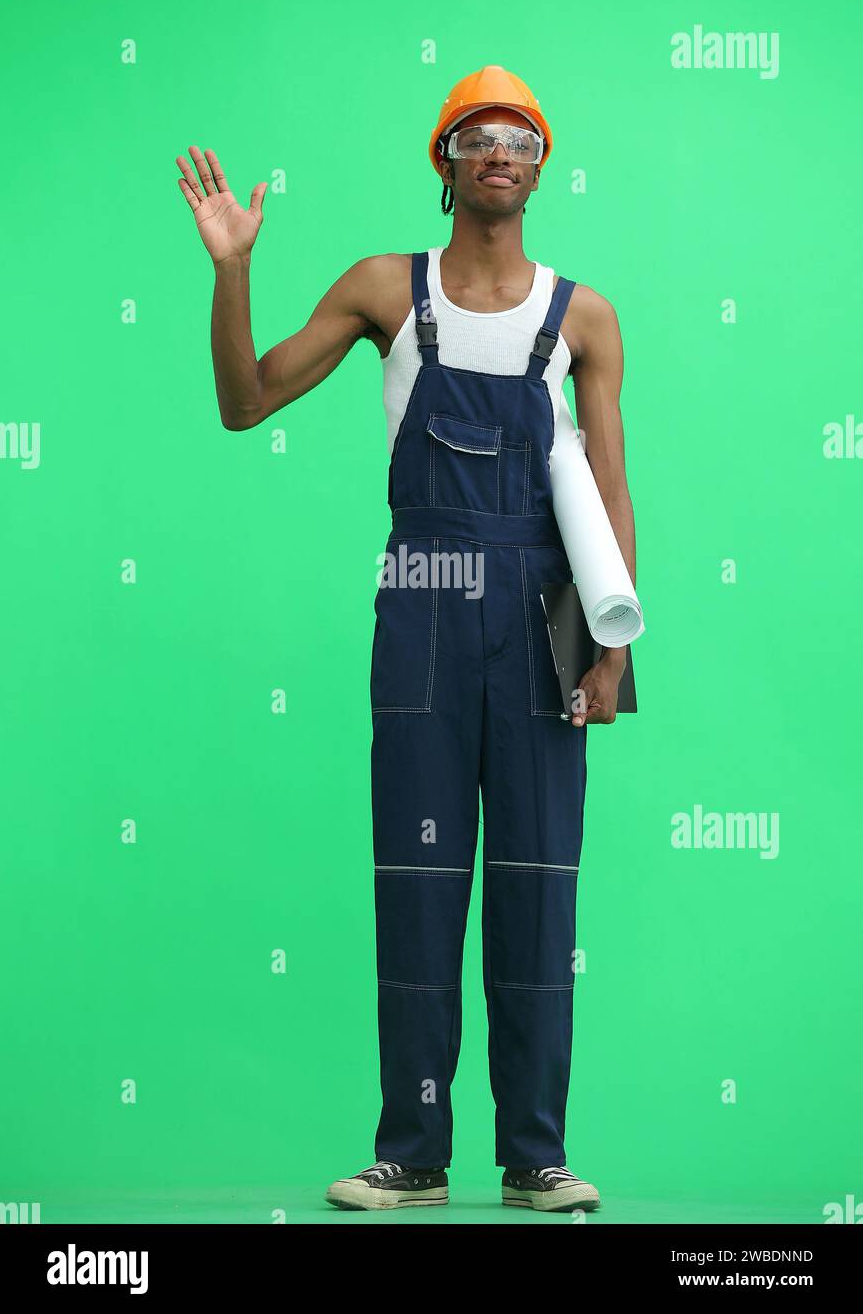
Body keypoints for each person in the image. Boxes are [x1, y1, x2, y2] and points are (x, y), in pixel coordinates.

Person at [176, 64, 636, 1215]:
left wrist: (612, 644)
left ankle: (535, 1155)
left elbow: (610, 486)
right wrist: (233, 272)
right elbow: (243, 400)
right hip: (422, 608)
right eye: (476, 135)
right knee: (418, 883)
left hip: (546, 613)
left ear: (542, 166)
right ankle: (412, 1153)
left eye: (520, 138)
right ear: (443, 164)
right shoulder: (388, 287)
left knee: (539, 888)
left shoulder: (580, 316)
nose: (499, 151)